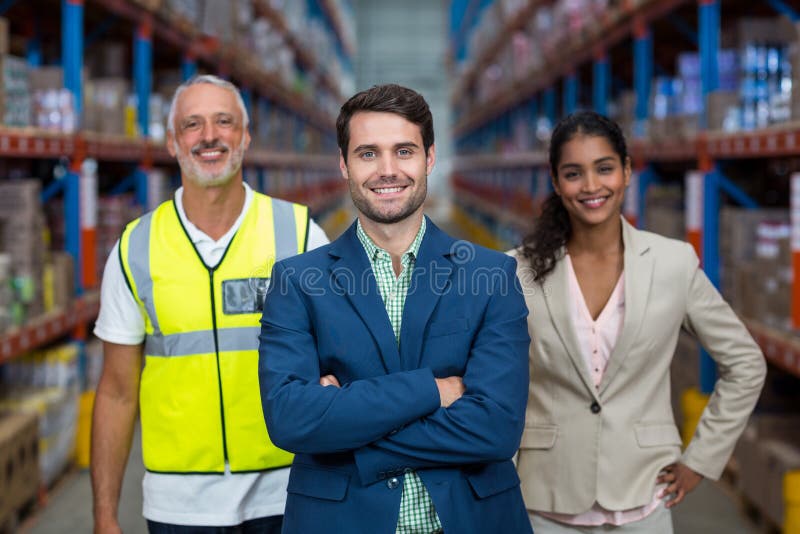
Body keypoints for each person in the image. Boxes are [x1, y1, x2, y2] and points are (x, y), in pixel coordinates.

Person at [257, 83, 533, 534]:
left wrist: (345, 423)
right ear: (343, 164)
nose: (388, 171)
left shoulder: (491, 276)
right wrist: (434, 392)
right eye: (368, 154)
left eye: (403, 151)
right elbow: (291, 420)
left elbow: (496, 428)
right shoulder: (296, 281)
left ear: (430, 158)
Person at [90, 74, 330, 534]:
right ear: (172, 142)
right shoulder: (134, 248)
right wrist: (104, 515)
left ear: (245, 135)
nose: (210, 136)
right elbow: (117, 392)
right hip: (179, 505)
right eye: (192, 125)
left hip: (287, 491)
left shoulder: (299, 235)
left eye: (224, 122)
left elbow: (342, 364)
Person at [510, 110, 766, 533]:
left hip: (643, 501)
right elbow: (492, 381)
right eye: (574, 173)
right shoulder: (515, 272)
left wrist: (701, 459)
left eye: (605, 168)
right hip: (543, 501)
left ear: (627, 172)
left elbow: (746, 363)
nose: (592, 186)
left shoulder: (671, 263)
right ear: (556, 183)